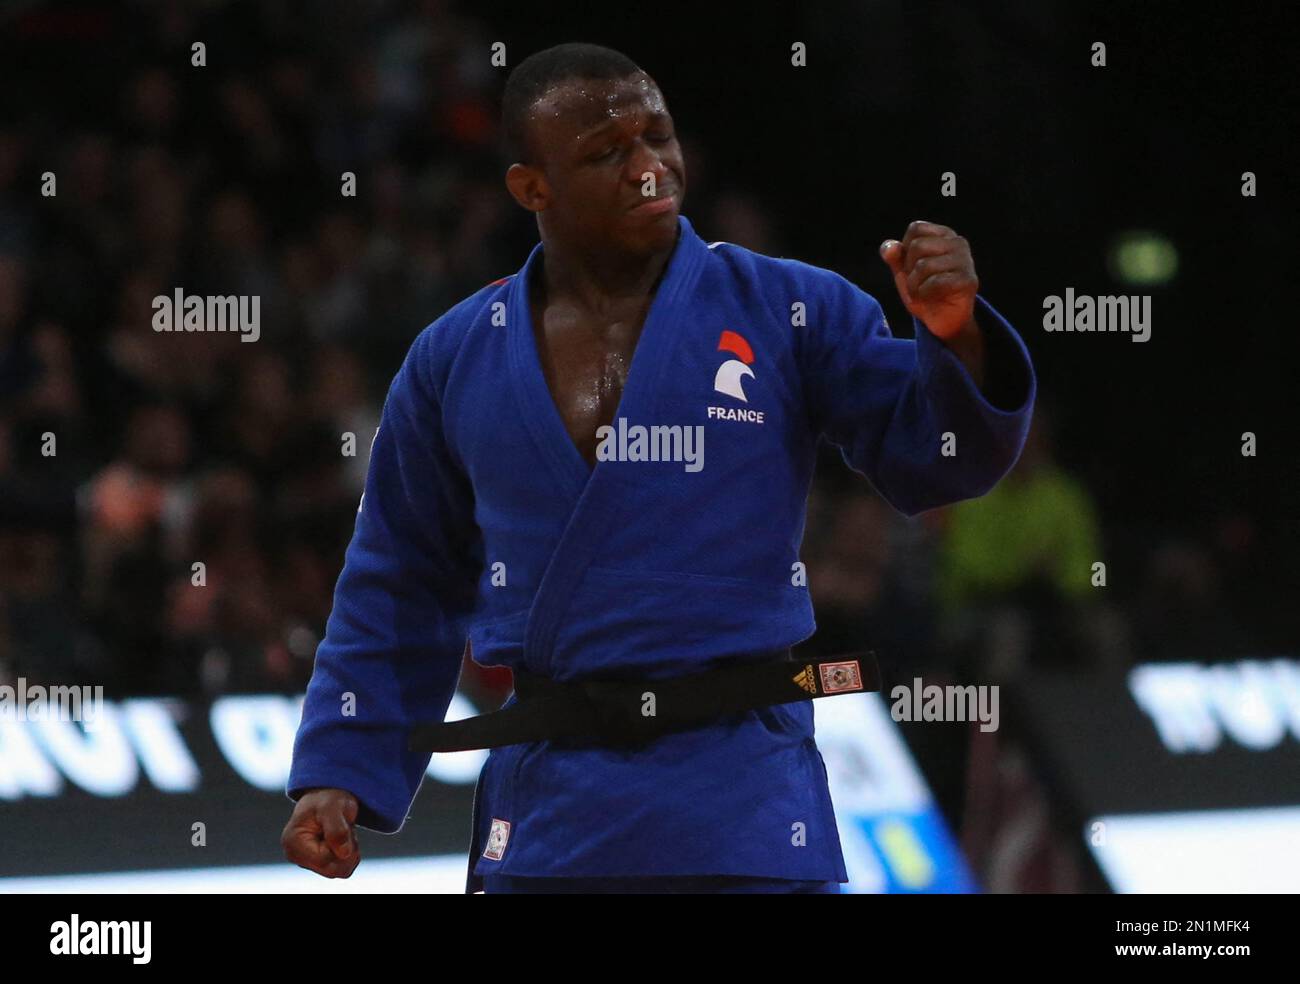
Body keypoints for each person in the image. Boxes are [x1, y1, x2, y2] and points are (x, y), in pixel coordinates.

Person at [281, 42, 1036, 894]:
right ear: (532, 188)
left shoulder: (787, 307)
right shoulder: (455, 355)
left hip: (744, 799)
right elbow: (400, 577)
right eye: (608, 153)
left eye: (658, 137)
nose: (648, 169)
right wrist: (340, 770)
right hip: (552, 811)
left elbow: (936, 460)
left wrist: (954, 337)